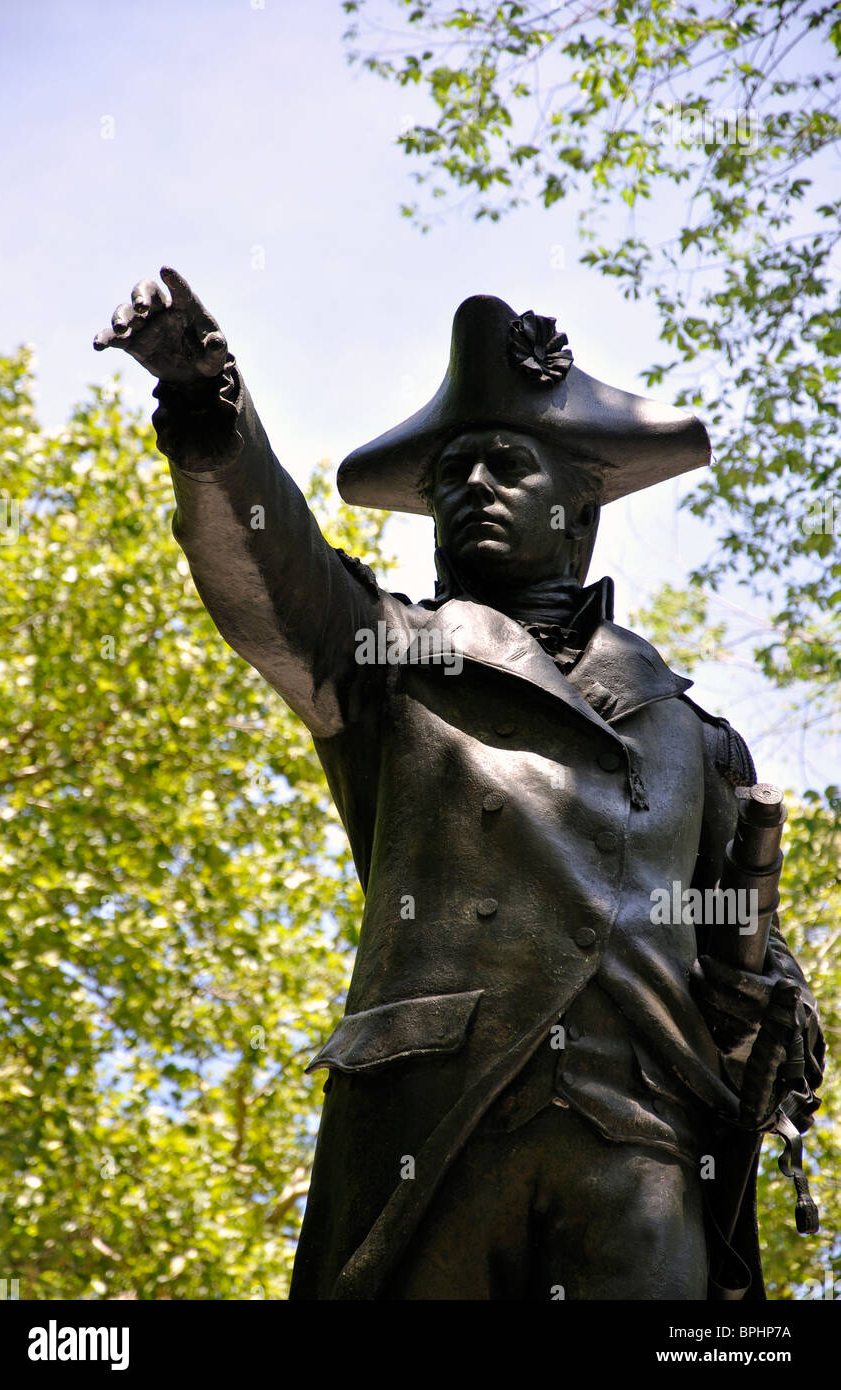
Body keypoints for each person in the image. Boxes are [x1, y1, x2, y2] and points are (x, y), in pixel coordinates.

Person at [95, 271, 824, 1300]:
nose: (469, 484)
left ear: (580, 504)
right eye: (449, 471)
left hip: (641, 1158)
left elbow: (737, 945)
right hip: (433, 1137)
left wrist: (773, 1008)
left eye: (504, 463)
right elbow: (271, 572)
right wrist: (209, 409)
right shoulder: (388, 654)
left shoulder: (694, 736)